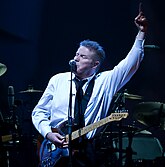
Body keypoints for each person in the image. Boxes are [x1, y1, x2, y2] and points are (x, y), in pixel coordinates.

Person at [32, 10, 148, 167]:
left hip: (85, 151)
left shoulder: (104, 82)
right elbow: (39, 112)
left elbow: (129, 65)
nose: (76, 58)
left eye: (83, 57)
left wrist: (141, 34)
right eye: (76, 54)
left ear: (95, 65)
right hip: (54, 147)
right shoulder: (58, 80)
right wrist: (48, 133)